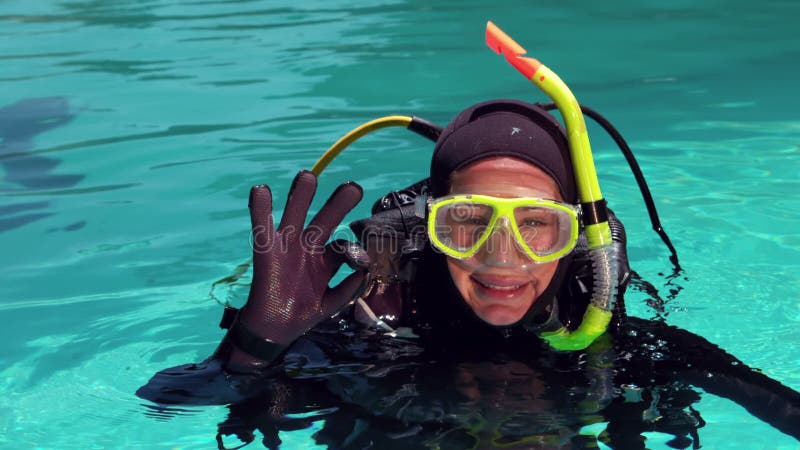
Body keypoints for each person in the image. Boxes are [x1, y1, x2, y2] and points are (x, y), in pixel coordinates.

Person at [138, 99, 799, 449]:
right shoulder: (363, 343)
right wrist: (255, 347)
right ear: (430, 228)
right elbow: (164, 405)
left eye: (537, 223)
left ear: (577, 239)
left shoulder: (632, 353)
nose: (501, 254)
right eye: (468, 221)